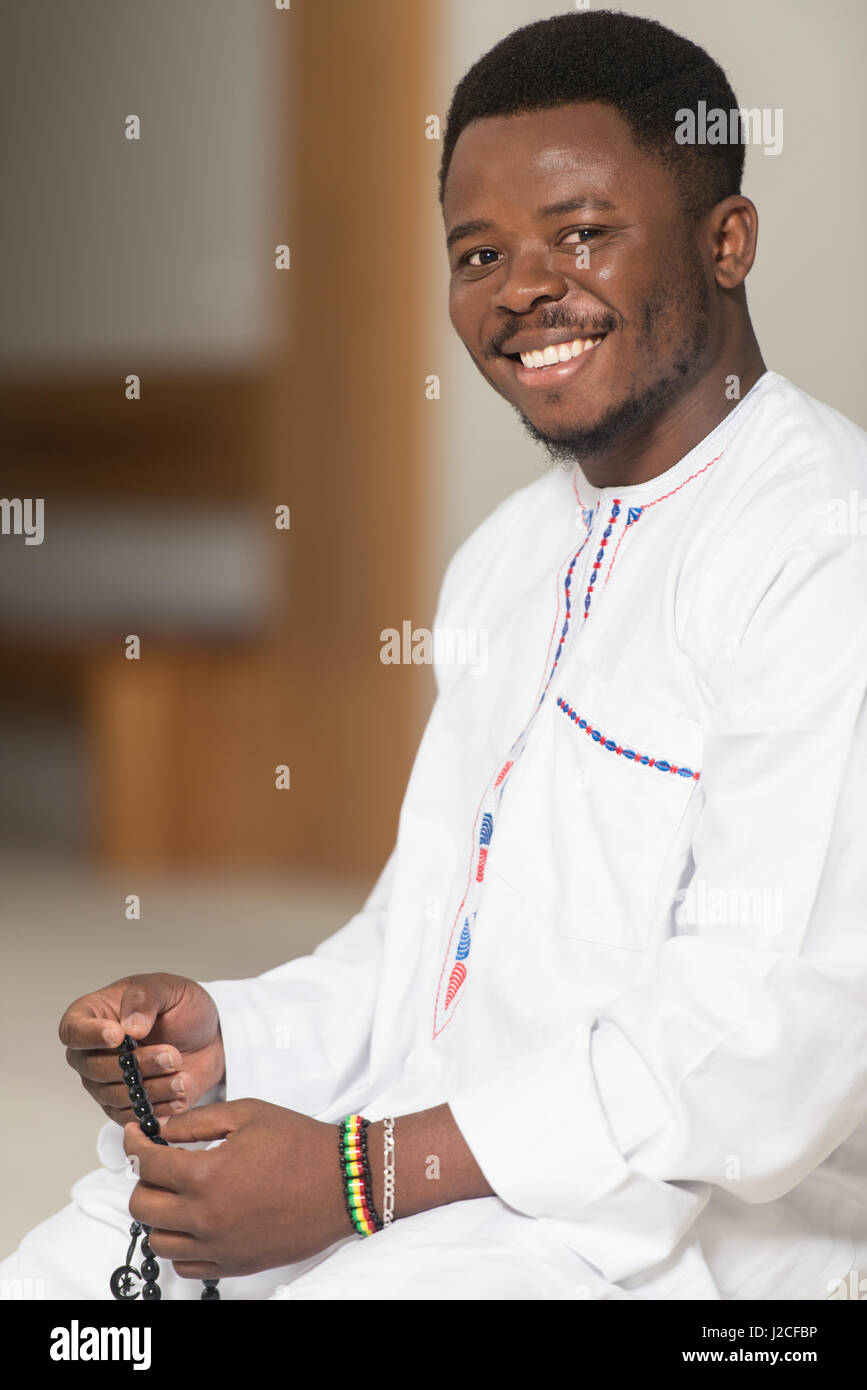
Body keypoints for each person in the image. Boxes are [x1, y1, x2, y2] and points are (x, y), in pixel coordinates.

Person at [3, 9, 866, 1302]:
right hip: (441, 1158)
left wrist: (359, 1177)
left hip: (693, 1234)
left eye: (580, 234)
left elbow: (769, 1043)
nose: (521, 287)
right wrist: (228, 1030)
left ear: (726, 240)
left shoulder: (826, 548)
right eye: (477, 251)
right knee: (77, 1263)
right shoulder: (507, 555)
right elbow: (422, 951)